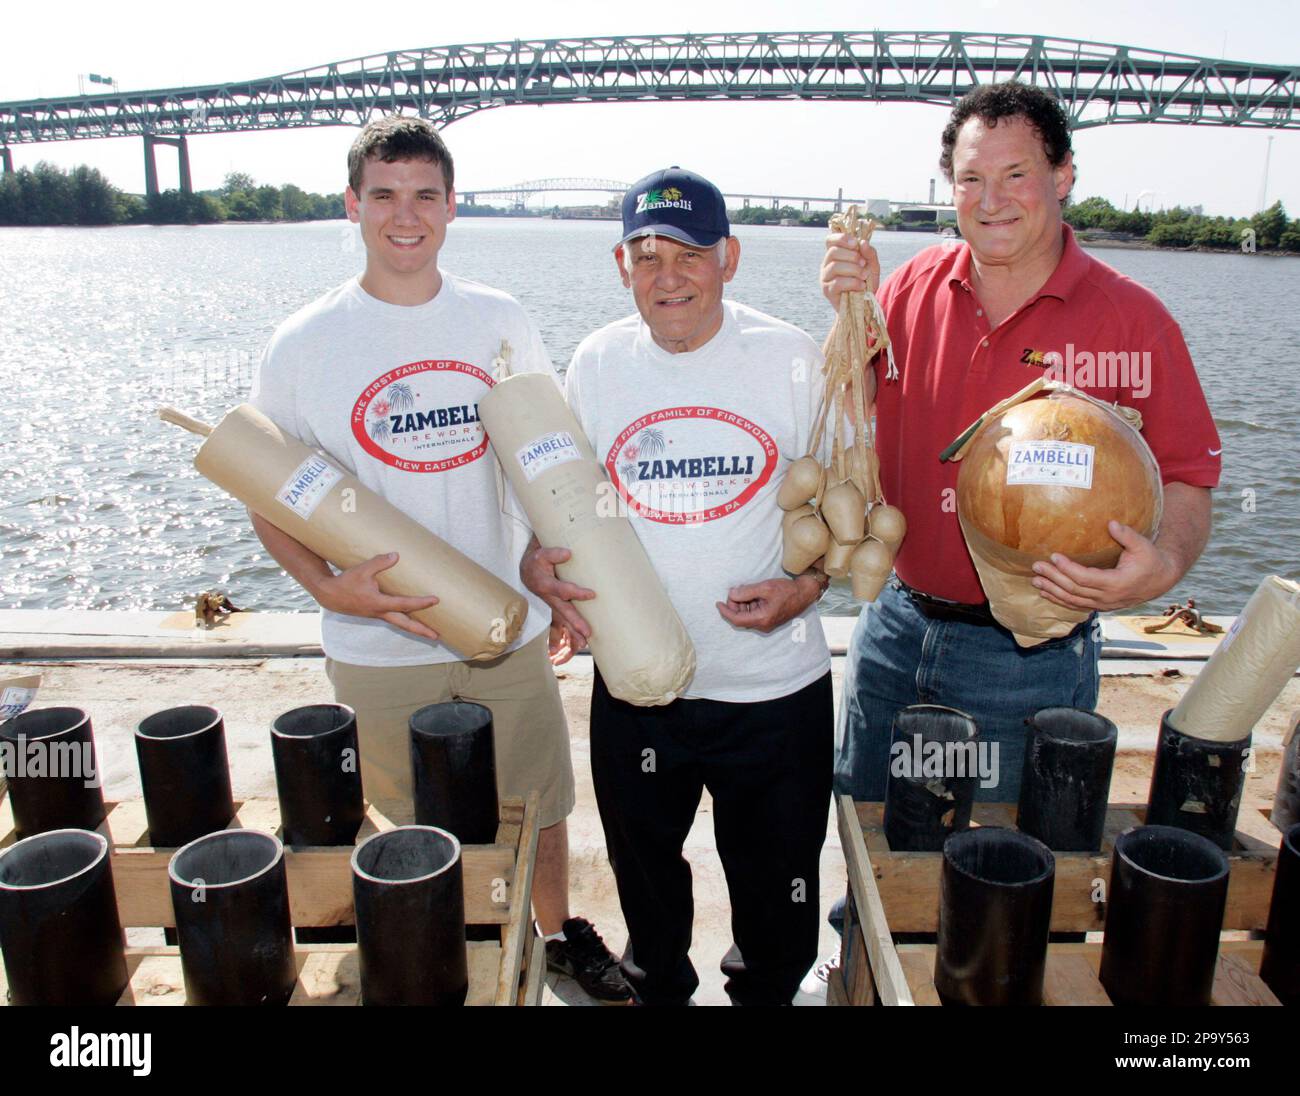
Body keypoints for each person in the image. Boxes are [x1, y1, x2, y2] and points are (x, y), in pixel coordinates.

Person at [811, 81, 1221, 973]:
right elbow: (849, 422)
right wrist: (847, 310)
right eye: (968, 179)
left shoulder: (1132, 319)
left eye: (1015, 174)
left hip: (1027, 654)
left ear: (1064, 175)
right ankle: (857, 975)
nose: (990, 200)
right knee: (872, 829)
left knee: (996, 875)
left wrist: (1157, 573)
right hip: (896, 630)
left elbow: (1189, 476)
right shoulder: (912, 286)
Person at [247, 115, 629, 1002]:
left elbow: (550, 463)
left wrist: (541, 556)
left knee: (540, 802)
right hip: (377, 642)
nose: (404, 215)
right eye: (383, 194)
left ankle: (555, 934)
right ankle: (445, 943)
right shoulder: (304, 344)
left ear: (453, 207)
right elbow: (263, 493)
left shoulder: (498, 320)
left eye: (425, 195)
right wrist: (327, 588)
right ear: (353, 205)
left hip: (505, 624)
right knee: (408, 826)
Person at [524, 167, 834, 1005]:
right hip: (636, 688)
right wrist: (536, 559)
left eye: (690, 253)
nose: (668, 276)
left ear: (729, 257)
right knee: (648, 896)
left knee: (779, 901)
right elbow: (564, 493)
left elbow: (854, 508)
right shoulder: (594, 362)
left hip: (773, 690)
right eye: (645, 255)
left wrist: (805, 591)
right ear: (620, 266)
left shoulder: (793, 358)